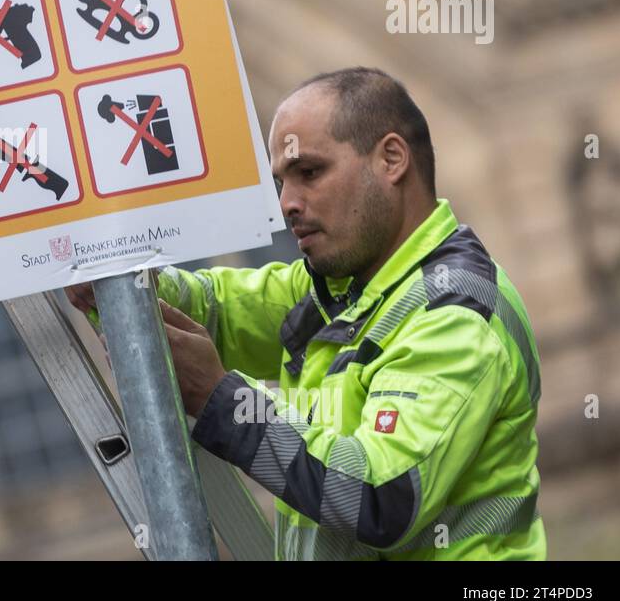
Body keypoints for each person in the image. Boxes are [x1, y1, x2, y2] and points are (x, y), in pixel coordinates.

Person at [67, 67, 545, 560]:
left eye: (309, 173)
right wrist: (117, 286)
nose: (287, 204)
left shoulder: (455, 312)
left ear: (392, 159)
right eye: (281, 181)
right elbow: (219, 310)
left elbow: (381, 495)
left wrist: (222, 401)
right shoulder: (339, 286)